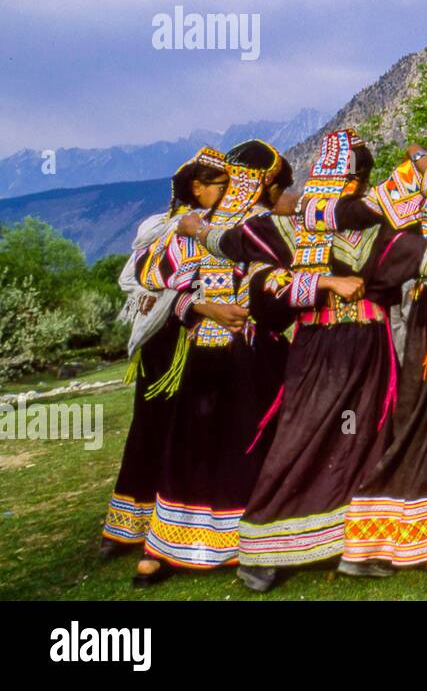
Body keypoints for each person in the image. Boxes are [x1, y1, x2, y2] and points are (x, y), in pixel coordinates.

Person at [176, 129, 427, 592]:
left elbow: (236, 246)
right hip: (347, 344)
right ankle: (266, 544)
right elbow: (264, 280)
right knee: (310, 434)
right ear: (354, 181)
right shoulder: (331, 227)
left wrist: (204, 231)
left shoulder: (296, 226)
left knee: (356, 438)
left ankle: (354, 544)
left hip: (332, 345)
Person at [127, 140, 295, 586]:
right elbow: (161, 285)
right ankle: (181, 544)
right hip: (223, 350)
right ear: (265, 180)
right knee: (207, 445)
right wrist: (207, 309)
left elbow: (283, 290)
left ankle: (243, 545)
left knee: (234, 444)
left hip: (243, 349)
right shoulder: (215, 228)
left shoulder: (241, 227)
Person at [100, 148, 227, 561]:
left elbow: (136, 279)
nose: (224, 194)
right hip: (180, 337)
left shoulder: (155, 230)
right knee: (178, 428)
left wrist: (149, 297)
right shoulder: (191, 231)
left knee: (150, 426)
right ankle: (171, 524)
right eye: (219, 187)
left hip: (156, 337)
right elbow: (185, 283)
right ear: (197, 187)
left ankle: (128, 526)